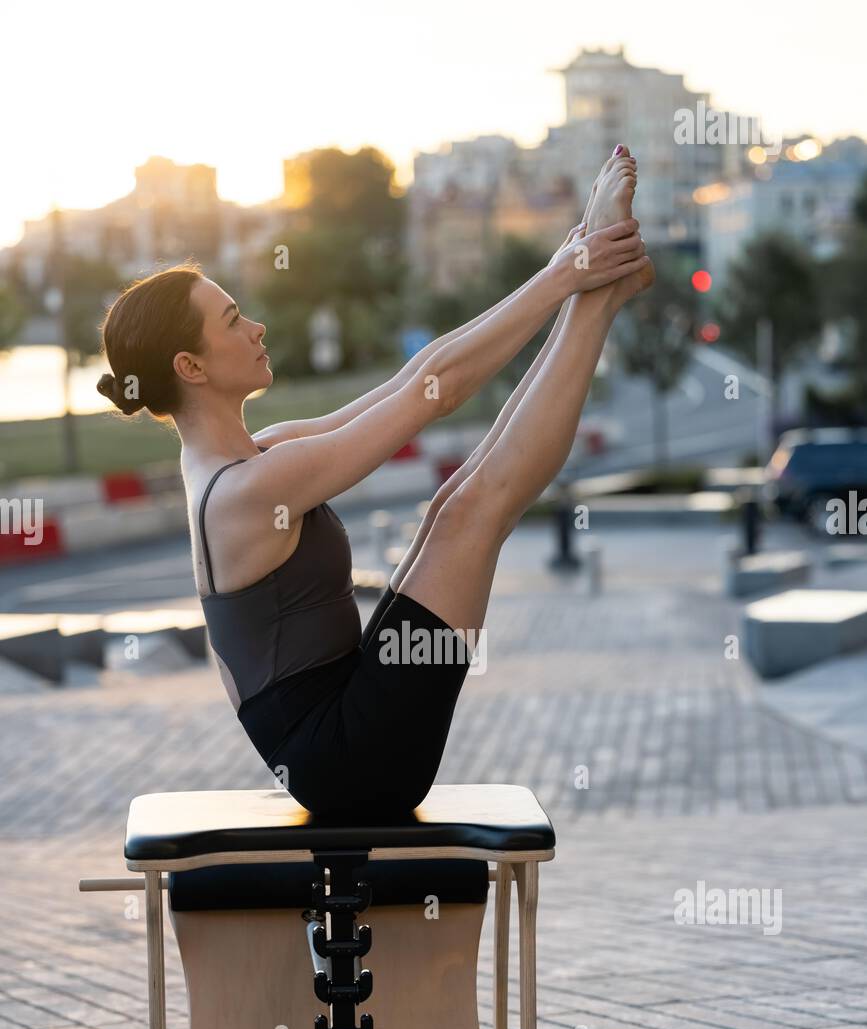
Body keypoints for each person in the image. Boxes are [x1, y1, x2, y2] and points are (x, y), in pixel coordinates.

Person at [97, 145, 653, 818]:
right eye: (233, 320)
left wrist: (556, 275)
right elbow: (434, 394)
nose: (257, 326)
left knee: (451, 505)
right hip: (346, 761)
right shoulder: (247, 492)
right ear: (191, 366)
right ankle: (595, 303)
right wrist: (564, 279)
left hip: (343, 714)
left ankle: (595, 297)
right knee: (471, 510)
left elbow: (416, 381)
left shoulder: (258, 456)